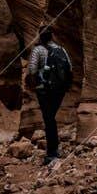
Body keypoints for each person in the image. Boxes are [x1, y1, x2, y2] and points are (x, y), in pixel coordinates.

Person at [27, 23, 72, 163]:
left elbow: (32, 70)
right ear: (52, 35)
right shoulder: (61, 50)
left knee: (49, 119)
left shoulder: (38, 50)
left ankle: (52, 153)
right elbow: (69, 68)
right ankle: (54, 150)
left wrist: (34, 83)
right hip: (59, 91)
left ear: (40, 36)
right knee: (51, 118)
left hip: (44, 90)